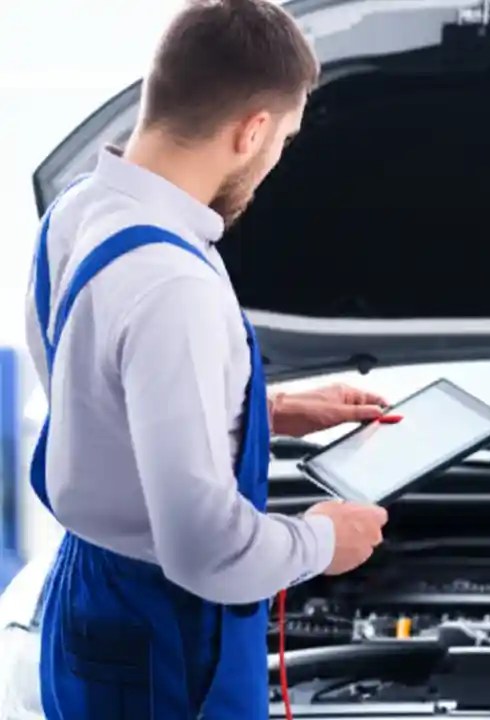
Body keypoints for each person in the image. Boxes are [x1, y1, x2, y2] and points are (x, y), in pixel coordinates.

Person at [23, 1, 389, 717]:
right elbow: (206, 552)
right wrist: (323, 540)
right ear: (252, 130)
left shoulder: (75, 213)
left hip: (93, 603)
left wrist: (266, 412)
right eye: (283, 138)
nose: (275, 157)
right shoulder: (173, 284)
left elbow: (96, 404)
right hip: (168, 636)